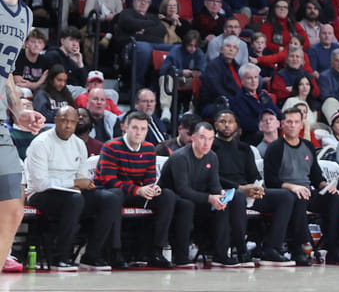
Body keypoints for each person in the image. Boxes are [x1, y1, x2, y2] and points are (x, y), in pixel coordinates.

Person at [0, 0, 44, 292]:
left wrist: (18, 111)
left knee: (13, 206)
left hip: (0, 117)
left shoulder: (25, 15)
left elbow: (8, 71)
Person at [25, 105, 123, 271]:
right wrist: (74, 184)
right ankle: (60, 257)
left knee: (111, 198)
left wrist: (82, 184)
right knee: (74, 200)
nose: (68, 125)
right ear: (55, 121)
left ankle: (91, 256)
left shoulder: (78, 144)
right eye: (64, 121)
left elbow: (82, 177)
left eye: (72, 122)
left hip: (72, 193)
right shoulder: (41, 143)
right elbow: (40, 184)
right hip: (41, 195)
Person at [94, 110, 191, 268]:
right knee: (116, 195)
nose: (138, 132)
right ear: (125, 128)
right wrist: (137, 190)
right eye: (135, 128)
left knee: (167, 196)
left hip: (134, 192)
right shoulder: (111, 146)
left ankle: (156, 251)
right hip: (111, 194)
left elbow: (150, 178)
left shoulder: (148, 149)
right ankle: (115, 251)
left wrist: (153, 188)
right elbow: (108, 180)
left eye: (143, 129)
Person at [263, 107, 339, 265]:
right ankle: (297, 249)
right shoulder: (275, 148)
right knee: (299, 197)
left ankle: (336, 250)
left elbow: (316, 177)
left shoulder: (308, 146)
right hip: (287, 194)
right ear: (282, 124)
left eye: (296, 122)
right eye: (289, 122)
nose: (292, 125)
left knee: (335, 198)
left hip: (308, 192)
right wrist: (292, 187)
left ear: (302, 125)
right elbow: (270, 181)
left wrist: (327, 186)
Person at [209, 109, 295, 266]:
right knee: (238, 196)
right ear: (215, 125)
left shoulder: (244, 148)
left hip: (248, 191)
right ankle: (242, 250)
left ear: (236, 125)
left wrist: (257, 187)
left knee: (285, 196)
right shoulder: (211, 147)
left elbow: (255, 175)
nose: (227, 125)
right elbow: (213, 177)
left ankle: (272, 248)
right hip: (224, 192)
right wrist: (240, 188)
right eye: (222, 122)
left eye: (230, 122)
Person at [158, 120, 241, 268]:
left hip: (197, 198)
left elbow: (214, 185)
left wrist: (220, 196)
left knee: (222, 206)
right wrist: (210, 198)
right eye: (202, 138)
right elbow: (182, 189)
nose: (206, 143)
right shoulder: (180, 157)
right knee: (187, 205)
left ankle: (221, 254)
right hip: (172, 199)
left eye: (210, 139)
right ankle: (181, 256)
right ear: (193, 138)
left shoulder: (212, 157)